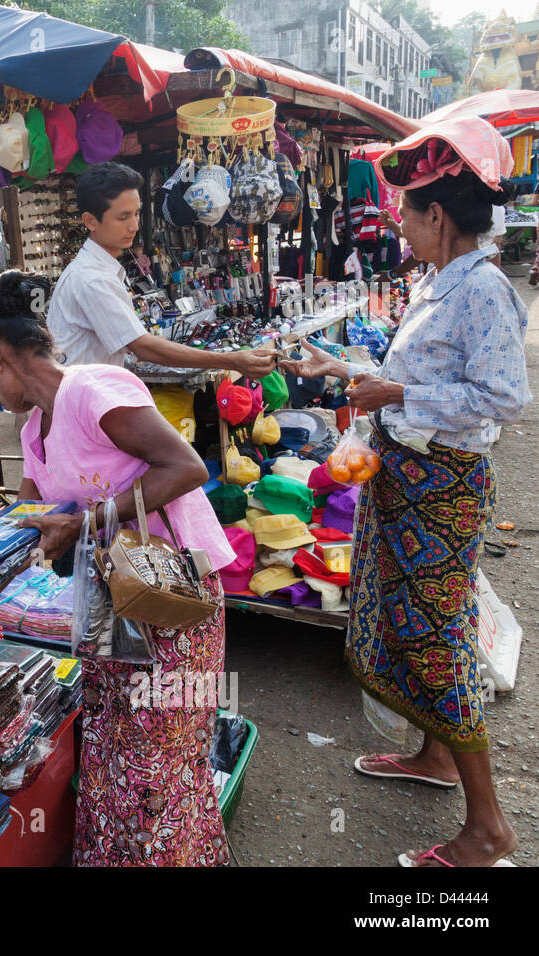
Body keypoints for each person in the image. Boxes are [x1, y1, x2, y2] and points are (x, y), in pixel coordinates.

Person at [0, 270, 236, 866]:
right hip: (109, 613)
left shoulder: (95, 392)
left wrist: (87, 522)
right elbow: (21, 535)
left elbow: (186, 467)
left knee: (158, 767)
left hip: (170, 601)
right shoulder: (35, 428)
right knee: (113, 757)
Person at [283, 119, 531, 867]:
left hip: (443, 485)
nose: (398, 225)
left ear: (439, 217)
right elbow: (420, 373)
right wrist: (346, 370)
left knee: (435, 637)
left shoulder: (483, 289)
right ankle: (437, 756)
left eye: (406, 214)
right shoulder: (437, 282)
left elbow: (502, 396)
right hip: (404, 474)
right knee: (415, 620)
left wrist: (399, 393)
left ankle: (489, 827)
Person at [47, 162, 277, 378]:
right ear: (90, 221)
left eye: (136, 213)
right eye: (123, 217)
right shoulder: (91, 278)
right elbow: (144, 347)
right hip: (82, 405)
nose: (134, 226)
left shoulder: (97, 270)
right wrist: (230, 360)